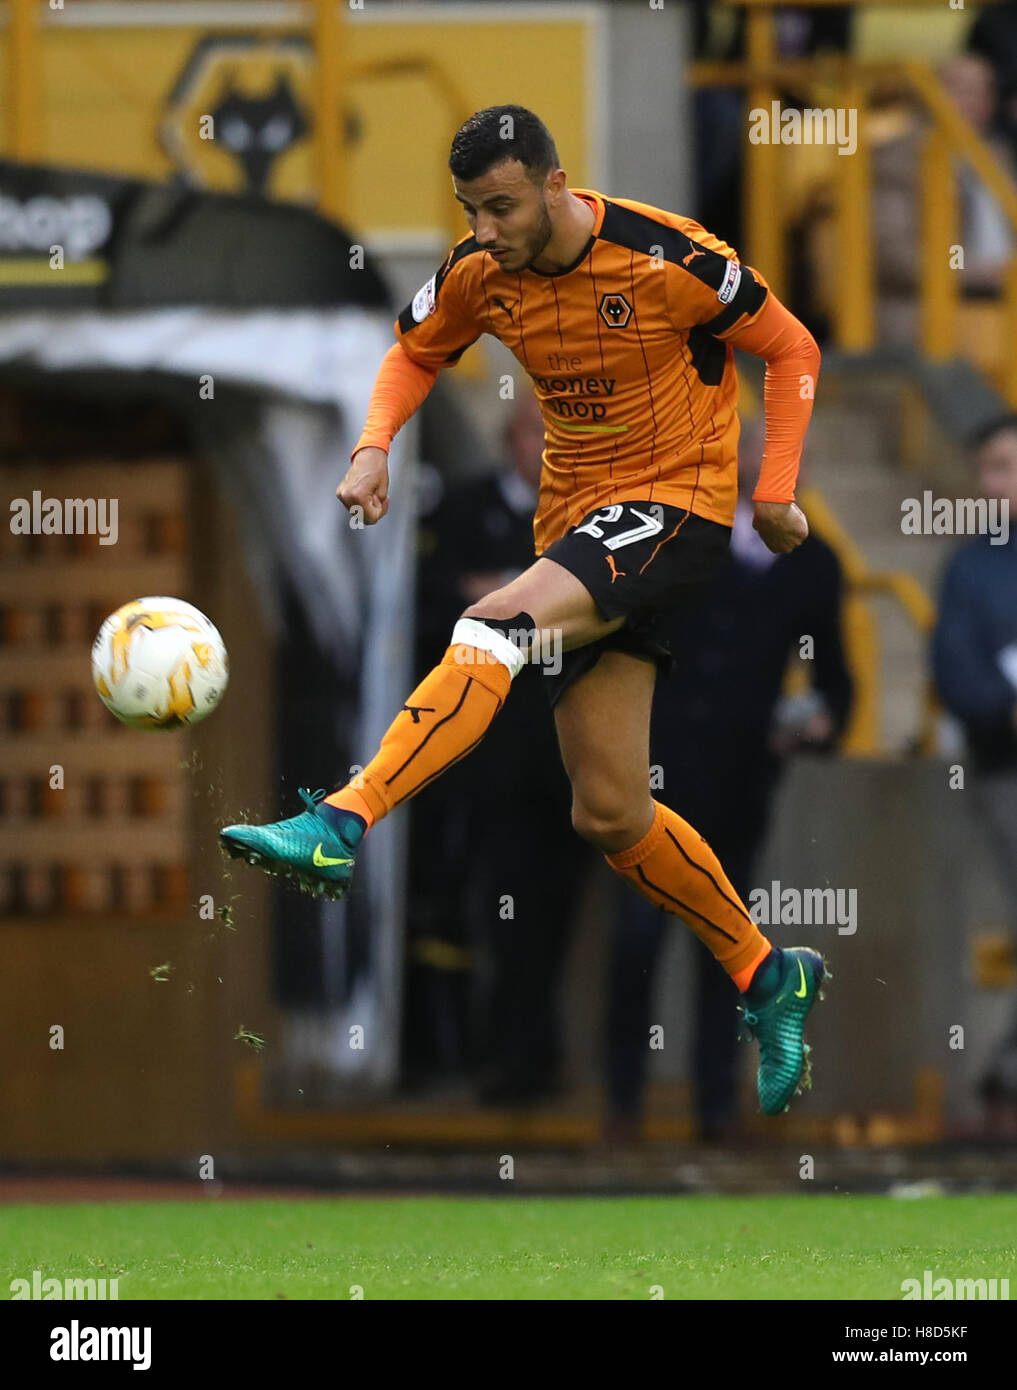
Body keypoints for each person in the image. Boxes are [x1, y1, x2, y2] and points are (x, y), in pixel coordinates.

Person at [221, 104, 828, 1117]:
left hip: (675, 510)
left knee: (492, 625)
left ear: (554, 183)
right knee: (609, 810)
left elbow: (792, 345)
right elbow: (416, 350)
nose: (485, 227)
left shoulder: (667, 256)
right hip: (579, 533)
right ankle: (771, 975)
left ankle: (341, 817)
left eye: (500, 205)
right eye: (470, 209)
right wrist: (373, 448)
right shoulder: (478, 270)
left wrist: (776, 486)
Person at [605, 421, 853, 1141]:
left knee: (725, 947)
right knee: (634, 941)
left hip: (741, 783)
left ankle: (715, 1108)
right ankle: (622, 1102)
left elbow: (836, 677)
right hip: (654, 773)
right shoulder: (684, 539)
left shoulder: (815, 562)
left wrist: (820, 722)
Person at [408, 391, 589, 1103]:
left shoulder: (586, 522)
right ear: (507, 437)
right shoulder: (462, 511)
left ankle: (537, 1054)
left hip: (570, 758)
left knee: (558, 915)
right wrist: (477, 601)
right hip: (489, 758)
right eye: (533, 434)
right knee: (498, 908)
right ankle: (503, 1058)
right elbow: (428, 609)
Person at [932, 414, 1017, 1119]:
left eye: (1008, 466)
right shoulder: (970, 563)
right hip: (1003, 770)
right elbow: (954, 668)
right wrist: (1003, 711)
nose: (998, 482)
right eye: (990, 468)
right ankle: (1001, 1076)